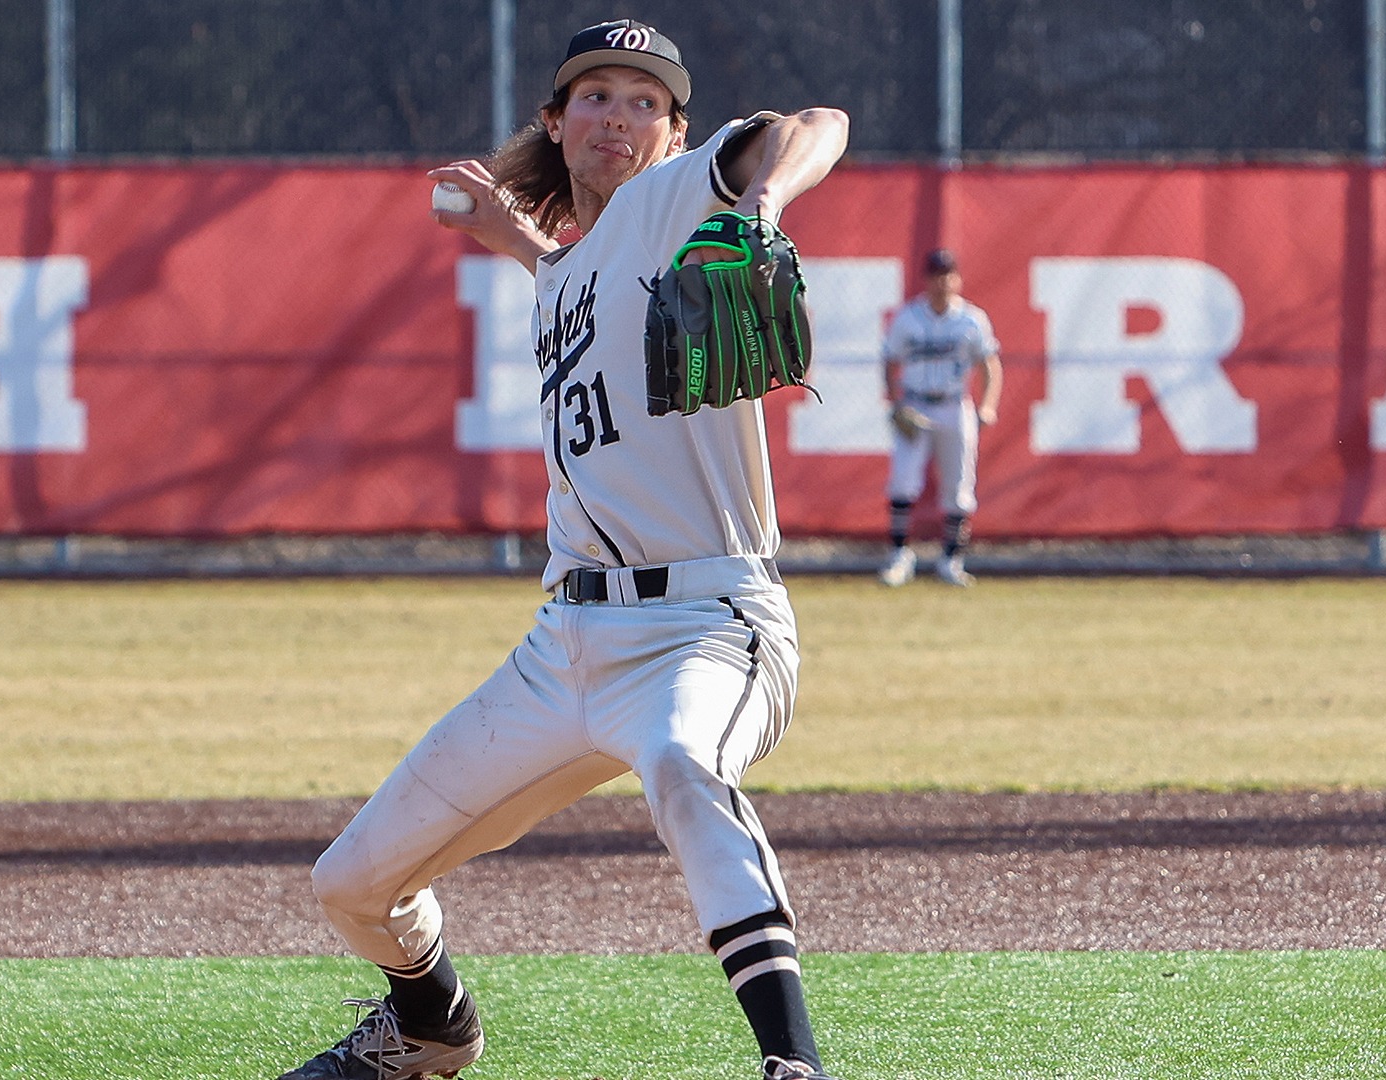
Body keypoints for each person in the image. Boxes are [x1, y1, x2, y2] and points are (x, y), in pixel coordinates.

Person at [273, 18, 850, 1080]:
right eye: (596, 95)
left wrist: (763, 198)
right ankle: (431, 1024)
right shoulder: (567, 273)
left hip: (705, 626)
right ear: (556, 119)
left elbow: (811, 125)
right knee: (352, 882)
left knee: (684, 762)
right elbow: (572, 274)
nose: (619, 116)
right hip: (564, 645)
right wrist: (512, 237)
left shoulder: (671, 203)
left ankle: (794, 1063)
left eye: (645, 101)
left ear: (675, 135)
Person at [875, 247, 1002, 587]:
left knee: (959, 486)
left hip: (953, 404)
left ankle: (951, 560)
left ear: (957, 279)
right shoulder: (908, 317)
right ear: (927, 279)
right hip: (915, 404)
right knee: (902, 481)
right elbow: (889, 362)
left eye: (948, 274)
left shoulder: (971, 319)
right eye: (936, 275)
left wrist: (988, 405)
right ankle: (900, 556)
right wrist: (896, 404)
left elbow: (990, 365)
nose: (942, 281)